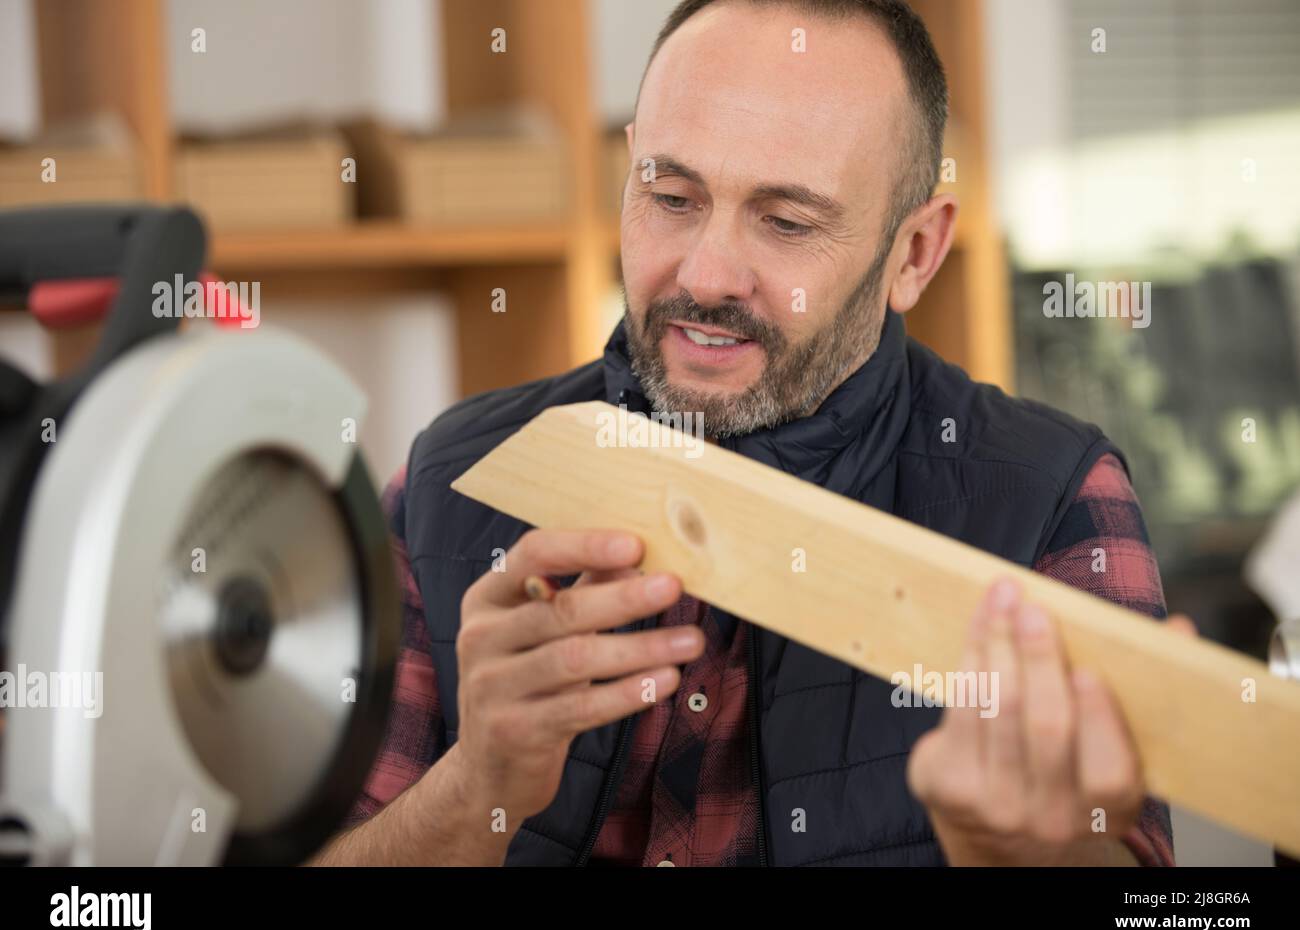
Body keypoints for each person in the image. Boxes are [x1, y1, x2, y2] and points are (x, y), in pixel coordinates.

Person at [311, 0, 1177, 866]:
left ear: (914, 253)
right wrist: (475, 789)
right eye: (671, 197)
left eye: (787, 222)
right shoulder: (452, 481)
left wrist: (1034, 853)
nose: (706, 273)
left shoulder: (1051, 497)